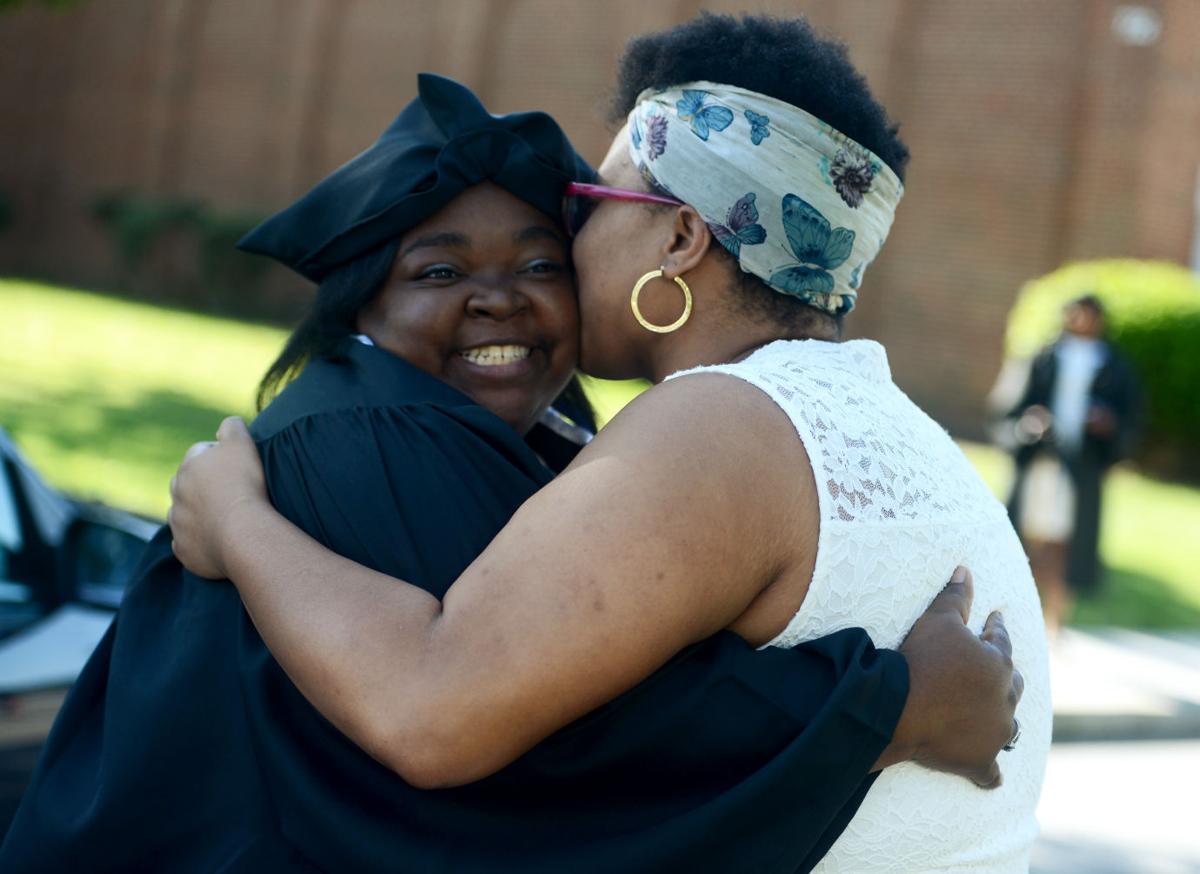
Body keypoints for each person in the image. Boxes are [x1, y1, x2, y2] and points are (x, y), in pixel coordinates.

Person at [2, 72, 1016, 874]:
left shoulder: (564, 444)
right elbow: (532, 751)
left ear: (677, 237)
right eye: (439, 272)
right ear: (362, 309)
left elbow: (568, 694)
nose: (501, 300)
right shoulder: (369, 440)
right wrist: (882, 708)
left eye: (544, 260)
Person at [999, 293, 1140, 631]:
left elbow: (1130, 419)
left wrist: (1107, 424)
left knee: (1067, 541)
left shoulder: (1114, 365)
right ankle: (1019, 616)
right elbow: (1011, 408)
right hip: (1041, 461)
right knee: (1025, 538)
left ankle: (1056, 618)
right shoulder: (1044, 357)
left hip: (1082, 466)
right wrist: (1030, 423)